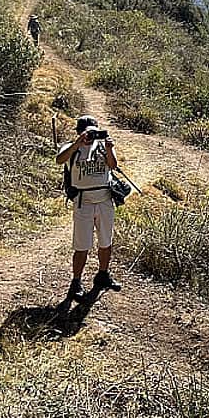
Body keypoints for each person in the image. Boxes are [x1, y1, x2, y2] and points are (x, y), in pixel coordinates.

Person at [55, 114, 123, 300]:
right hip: (83, 202)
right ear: (79, 132)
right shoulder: (71, 148)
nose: (90, 136)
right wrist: (78, 143)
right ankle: (76, 282)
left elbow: (113, 165)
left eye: (93, 132)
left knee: (106, 241)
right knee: (82, 245)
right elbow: (59, 160)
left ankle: (102, 274)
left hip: (104, 200)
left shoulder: (102, 147)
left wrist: (109, 149)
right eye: (86, 132)